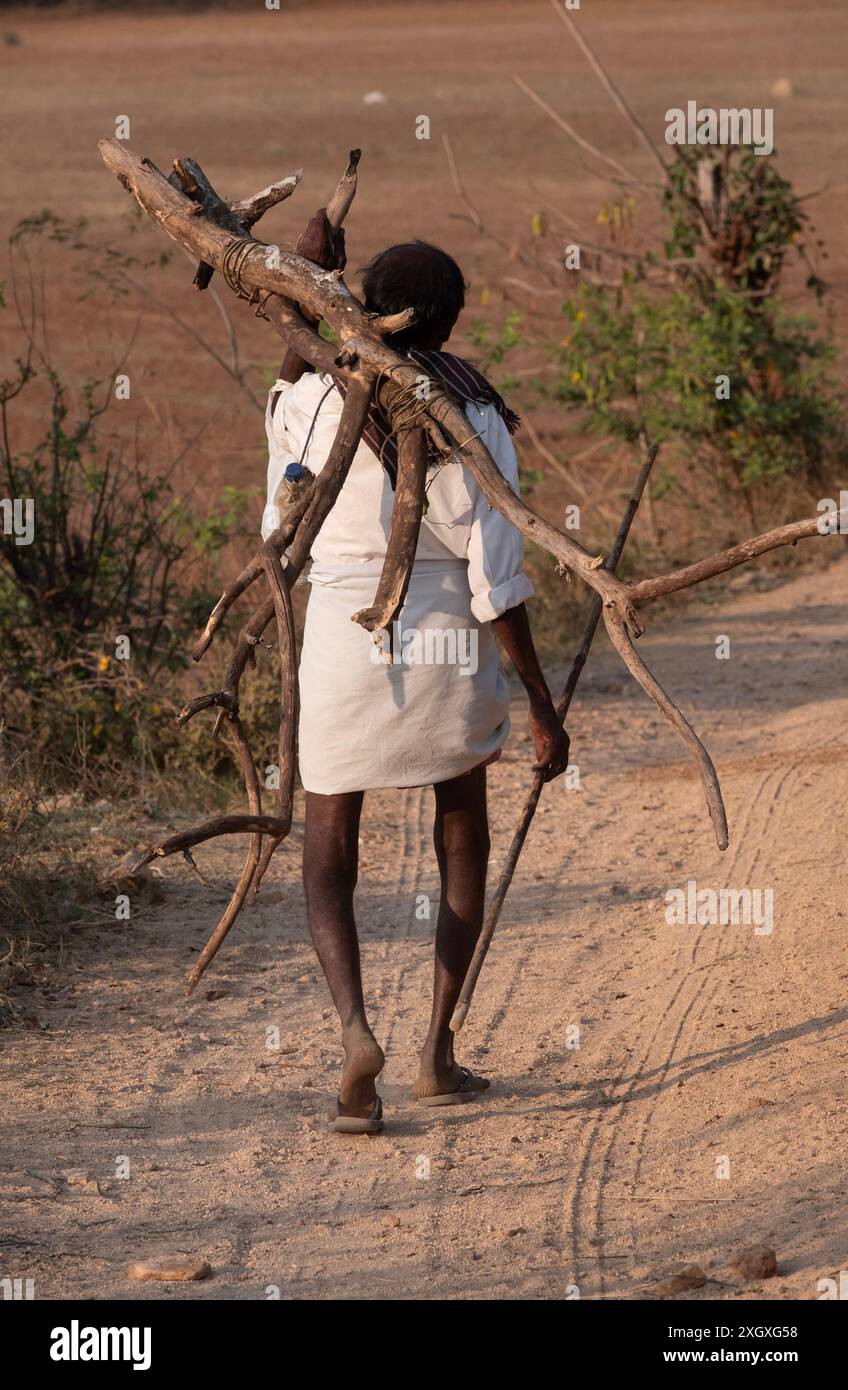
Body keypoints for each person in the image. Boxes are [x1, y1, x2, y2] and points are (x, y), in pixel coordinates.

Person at [262, 213, 569, 1133]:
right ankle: (436, 1050)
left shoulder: (315, 400)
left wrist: (303, 293)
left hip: (346, 638)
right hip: (448, 644)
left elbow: (275, 507)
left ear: (369, 310)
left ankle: (356, 1033)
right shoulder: (475, 411)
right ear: (449, 322)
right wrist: (544, 708)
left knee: (328, 844)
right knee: (461, 831)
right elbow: (499, 581)